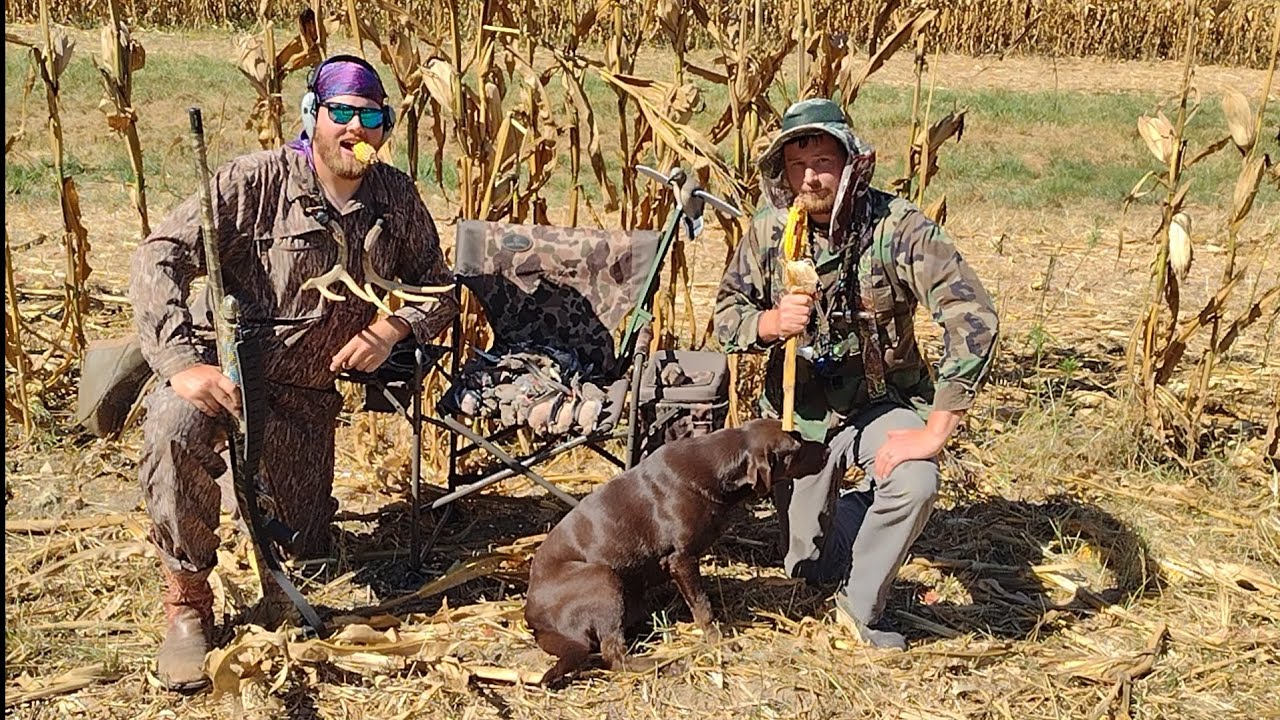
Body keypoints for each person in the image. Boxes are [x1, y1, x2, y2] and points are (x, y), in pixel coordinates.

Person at [129, 54, 459, 691]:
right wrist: (179, 364)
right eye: (342, 113)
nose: (356, 130)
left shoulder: (394, 196)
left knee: (305, 560)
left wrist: (392, 328)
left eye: (371, 118)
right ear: (313, 117)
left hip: (305, 396)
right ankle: (189, 604)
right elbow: (158, 256)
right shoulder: (255, 181)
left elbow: (440, 289)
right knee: (175, 428)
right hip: (226, 374)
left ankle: (265, 509)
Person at [714, 98, 998, 650]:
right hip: (802, 415)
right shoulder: (771, 231)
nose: (812, 176)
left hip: (879, 402)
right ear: (784, 171)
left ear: (852, 162)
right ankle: (850, 517)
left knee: (916, 481)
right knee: (806, 568)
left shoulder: (898, 227)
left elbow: (974, 315)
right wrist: (769, 322)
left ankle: (861, 609)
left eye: (825, 160)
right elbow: (725, 315)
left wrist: (936, 428)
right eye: (799, 165)